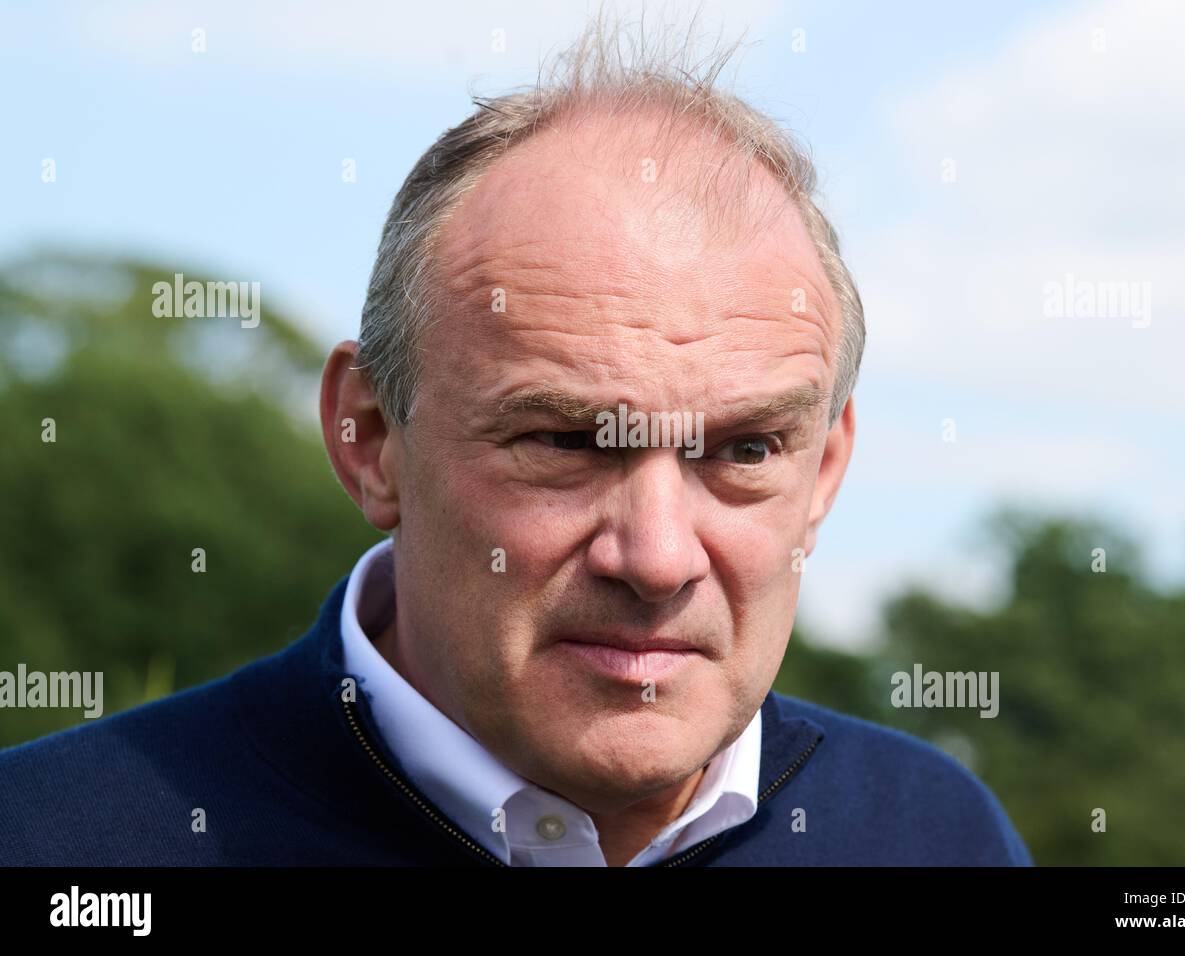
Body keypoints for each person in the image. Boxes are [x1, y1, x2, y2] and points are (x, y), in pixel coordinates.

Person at [0, 15, 1031, 867]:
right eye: (566, 441)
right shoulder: (58, 843)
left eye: (745, 449)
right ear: (368, 437)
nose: (658, 555)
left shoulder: (933, 835)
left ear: (826, 471)